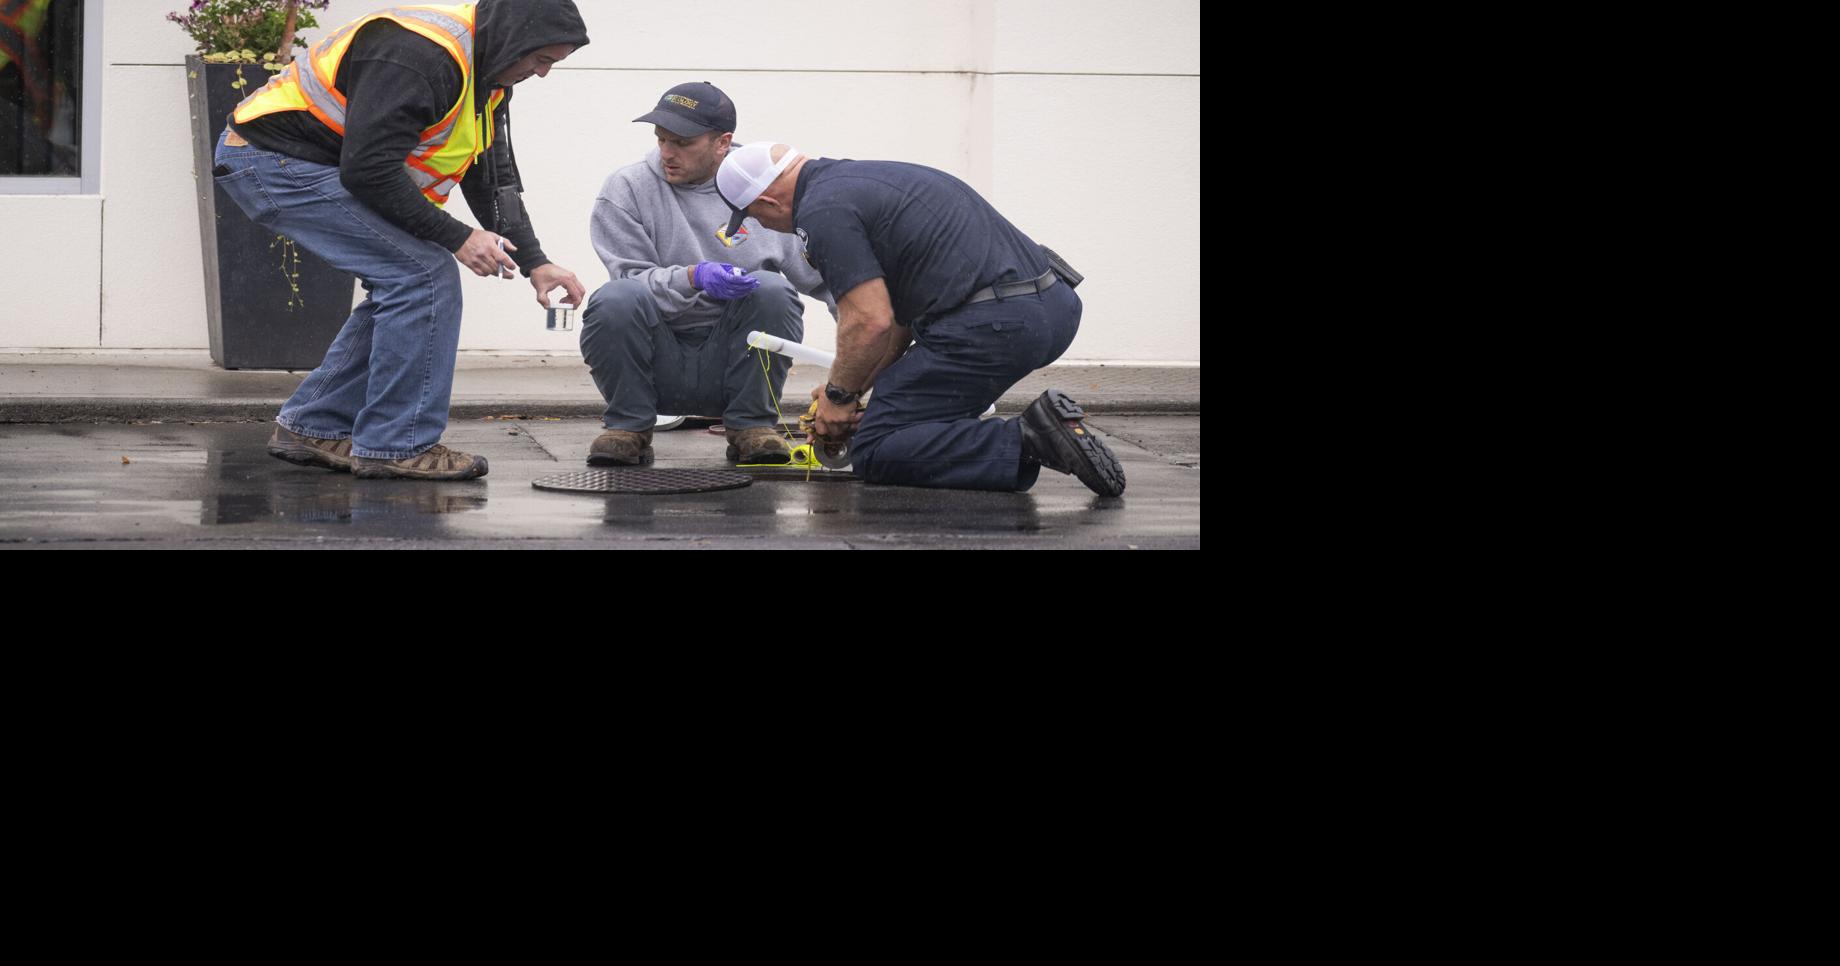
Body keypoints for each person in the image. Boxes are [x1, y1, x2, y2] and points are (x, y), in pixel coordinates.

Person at [213, 0, 591, 480]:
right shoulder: (419, 55)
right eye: (541, 60)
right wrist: (458, 237)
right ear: (514, 39)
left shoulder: (490, 76)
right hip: (273, 161)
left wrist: (537, 262)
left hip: (307, 164)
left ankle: (315, 425)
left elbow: (490, 174)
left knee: (408, 277)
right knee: (423, 274)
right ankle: (396, 445)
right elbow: (368, 169)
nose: (542, 74)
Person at [712, 142, 1125, 496]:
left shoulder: (821, 212)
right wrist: (850, 386)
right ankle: (1034, 438)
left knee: (876, 446)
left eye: (755, 217)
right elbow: (895, 321)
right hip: (1052, 308)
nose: (764, 225)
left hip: (993, 325)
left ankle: (1030, 438)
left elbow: (868, 320)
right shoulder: (872, 178)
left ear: (767, 202)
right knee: (915, 422)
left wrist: (839, 399)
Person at [580, 82, 833, 467]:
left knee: (773, 291)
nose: (667, 153)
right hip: (655, 355)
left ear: (722, 143)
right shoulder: (627, 188)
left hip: (735, 358)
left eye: (681, 142)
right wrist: (692, 277)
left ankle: (752, 426)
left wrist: (871, 359)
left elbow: (827, 282)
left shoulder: (762, 189)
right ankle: (627, 428)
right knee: (614, 299)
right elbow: (630, 279)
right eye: (661, 139)